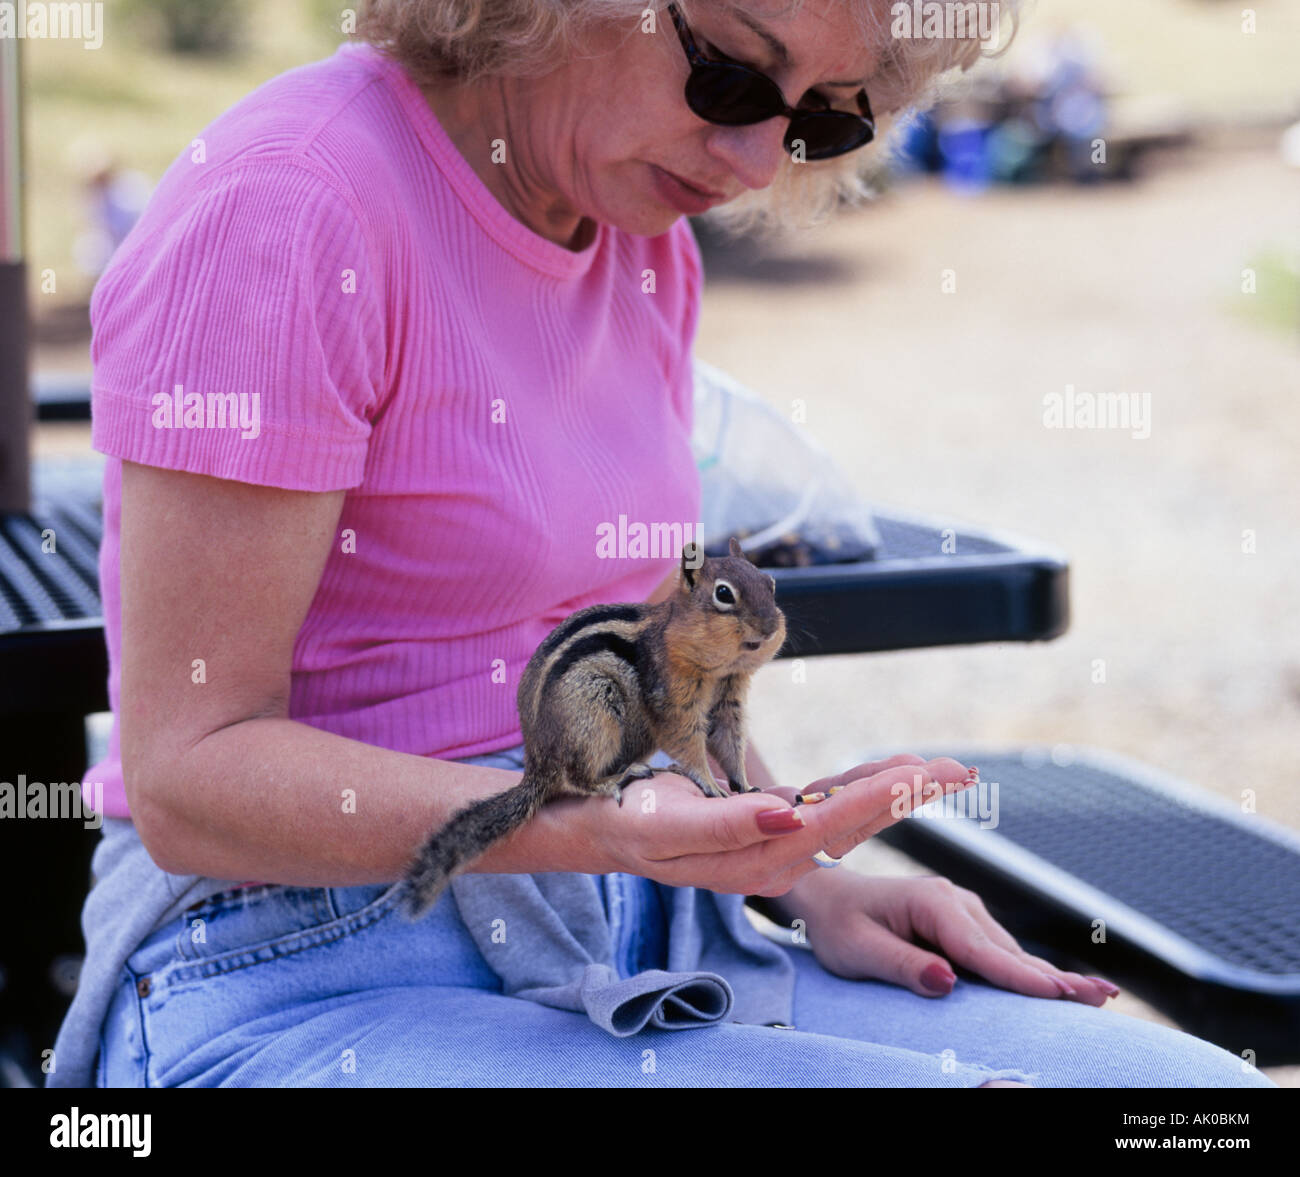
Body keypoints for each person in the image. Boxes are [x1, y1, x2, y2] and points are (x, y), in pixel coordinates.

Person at [48, 0, 1275, 1088]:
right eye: (733, 74)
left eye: (816, 123)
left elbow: (643, 667)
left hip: (634, 919)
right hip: (306, 963)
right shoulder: (288, 205)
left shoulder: (636, 236)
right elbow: (188, 780)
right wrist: (588, 825)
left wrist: (804, 876)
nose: (751, 161)